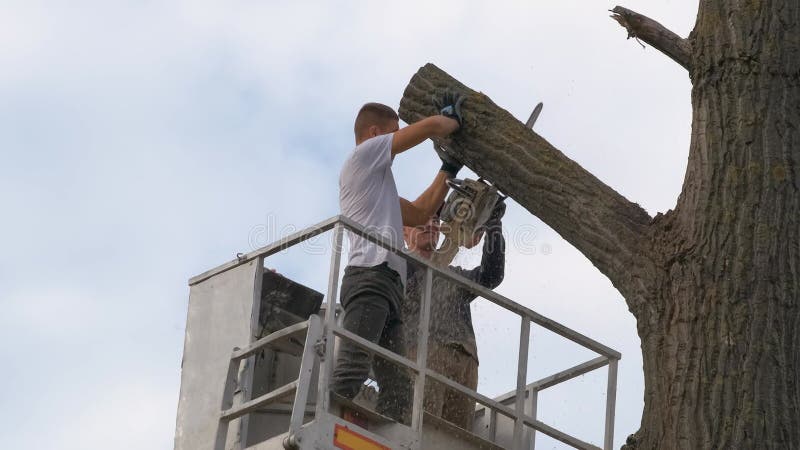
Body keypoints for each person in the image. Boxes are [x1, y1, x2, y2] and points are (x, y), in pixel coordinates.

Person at [331, 93, 466, 423]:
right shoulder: (362, 156)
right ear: (375, 134)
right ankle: (323, 426)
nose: (396, 140)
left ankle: (384, 440)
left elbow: (420, 213)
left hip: (389, 286)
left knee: (398, 388)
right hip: (370, 277)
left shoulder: (378, 186)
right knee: (352, 369)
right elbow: (427, 128)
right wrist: (451, 124)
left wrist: (449, 167)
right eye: (393, 133)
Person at [402, 199, 506, 430]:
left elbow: (491, 276)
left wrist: (493, 225)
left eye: (435, 220)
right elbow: (417, 280)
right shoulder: (398, 265)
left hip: (465, 361)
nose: (431, 224)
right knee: (421, 429)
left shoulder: (453, 274)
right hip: (421, 353)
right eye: (422, 219)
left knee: (454, 438)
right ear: (404, 232)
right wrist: (455, 243)